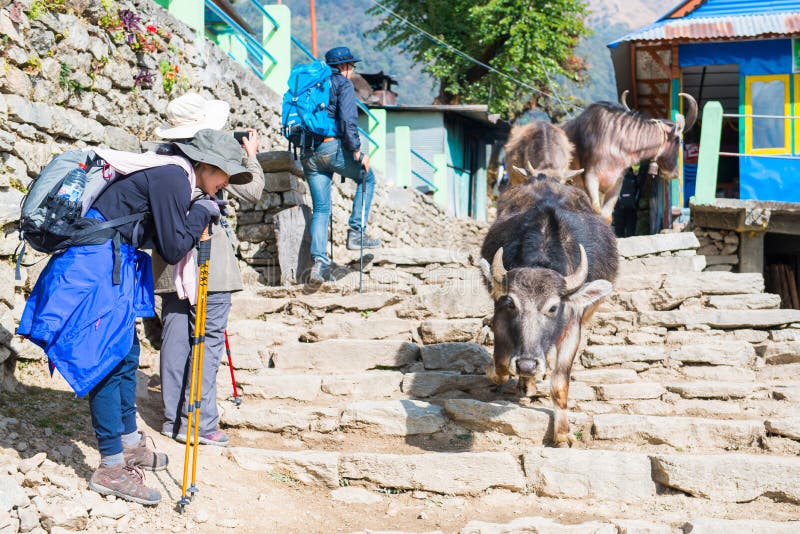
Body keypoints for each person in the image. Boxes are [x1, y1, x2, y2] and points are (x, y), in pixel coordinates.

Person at [17, 129, 251, 505]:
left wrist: (196, 211)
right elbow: (174, 248)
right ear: (206, 165)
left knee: (125, 353)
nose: (225, 184)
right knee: (108, 360)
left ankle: (128, 445)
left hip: (113, 260)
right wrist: (200, 214)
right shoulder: (173, 176)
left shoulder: (173, 177)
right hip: (95, 263)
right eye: (225, 174)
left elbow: (163, 237)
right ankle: (111, 466)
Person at [151, 92, 265, 447]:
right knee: (207, 340)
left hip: (168, 262)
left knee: (174, 338)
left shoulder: (159, 156)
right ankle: (199, 422)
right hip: (205, 261)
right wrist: (251, 157)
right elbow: (254, 191)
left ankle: (174, 419)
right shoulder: (210, 160)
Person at [302, 46, 381, 284]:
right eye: (352, 66)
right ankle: (356, 232)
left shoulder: (312, 84)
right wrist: (357, 151)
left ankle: (319, 264)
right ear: (344, 66)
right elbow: (348, 121)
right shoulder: (343, 84)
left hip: (308, 153)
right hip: (330, 148)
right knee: (367, 177)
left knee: (321, 209)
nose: (352, 70)